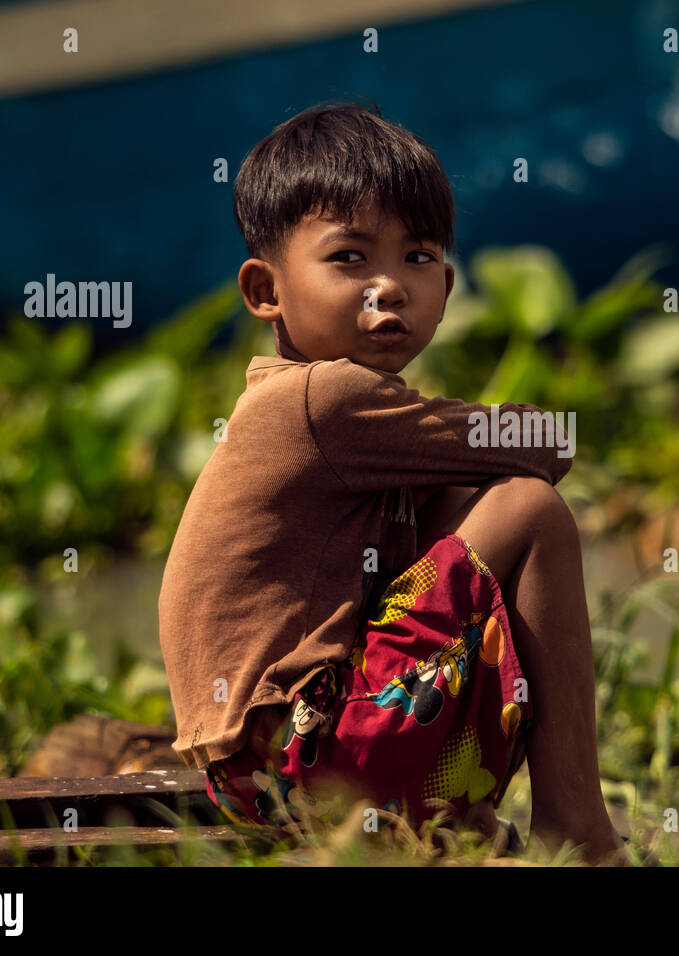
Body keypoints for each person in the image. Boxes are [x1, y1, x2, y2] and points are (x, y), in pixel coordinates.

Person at [158, 100, 626, 865]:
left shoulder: (290, 404)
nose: (390, 288)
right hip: (307, 754)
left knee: (451, 508)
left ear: (445, 282)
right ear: (264, 290)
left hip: (258, 778)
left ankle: (467, 833)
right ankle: (579, 832)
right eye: (349, 259)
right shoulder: (324, 399)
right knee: (528, 510)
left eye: (417, 258)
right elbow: (547, 446)